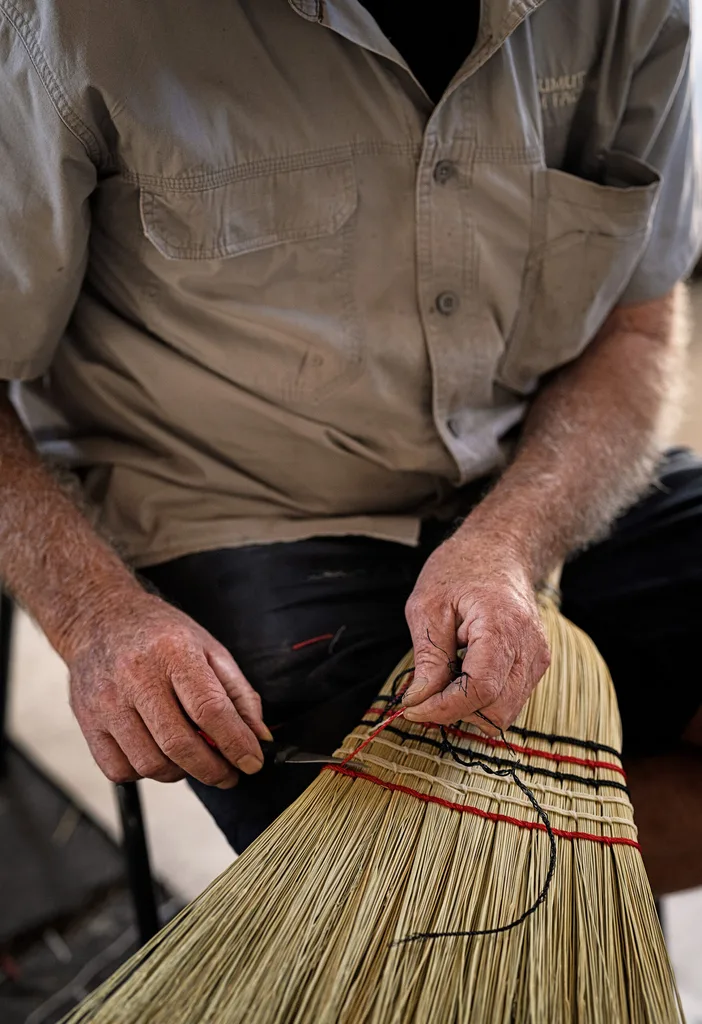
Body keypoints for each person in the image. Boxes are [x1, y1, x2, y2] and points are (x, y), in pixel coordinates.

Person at [1, 0, 701, 853]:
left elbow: (637, 321)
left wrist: (512, 542)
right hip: (244, 511)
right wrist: (93, 616)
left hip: (535, 473)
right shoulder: (76, 23)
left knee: (500, 870)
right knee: (429, 886)